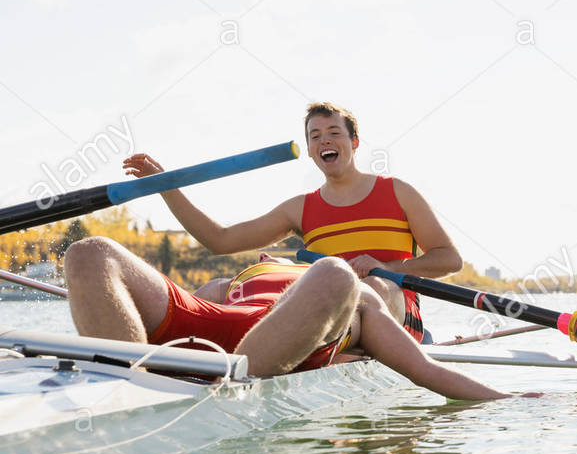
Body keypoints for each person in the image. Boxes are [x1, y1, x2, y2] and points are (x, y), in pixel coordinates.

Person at [124, 101, 460, 342]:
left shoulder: (398, 191)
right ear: (312, 152)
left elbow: (448, 259)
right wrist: (165, 186)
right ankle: (157, 352)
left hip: (395, 309)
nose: (324, 140)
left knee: (369, 288)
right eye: (315, 136)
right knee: (218, 288)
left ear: (354, 143)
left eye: (333, 133)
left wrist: (384, 266)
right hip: (326, 314)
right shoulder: (300, 209)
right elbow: (220, 240)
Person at [62, 236, 512, 401]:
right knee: (89, 252)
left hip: (270, 348)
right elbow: (198, 311)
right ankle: (122, 385)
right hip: (220, 322)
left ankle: (224, 392)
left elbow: (425, 369)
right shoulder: (241, 278)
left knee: (336, 271)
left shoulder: (363, 301)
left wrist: (506, 398)